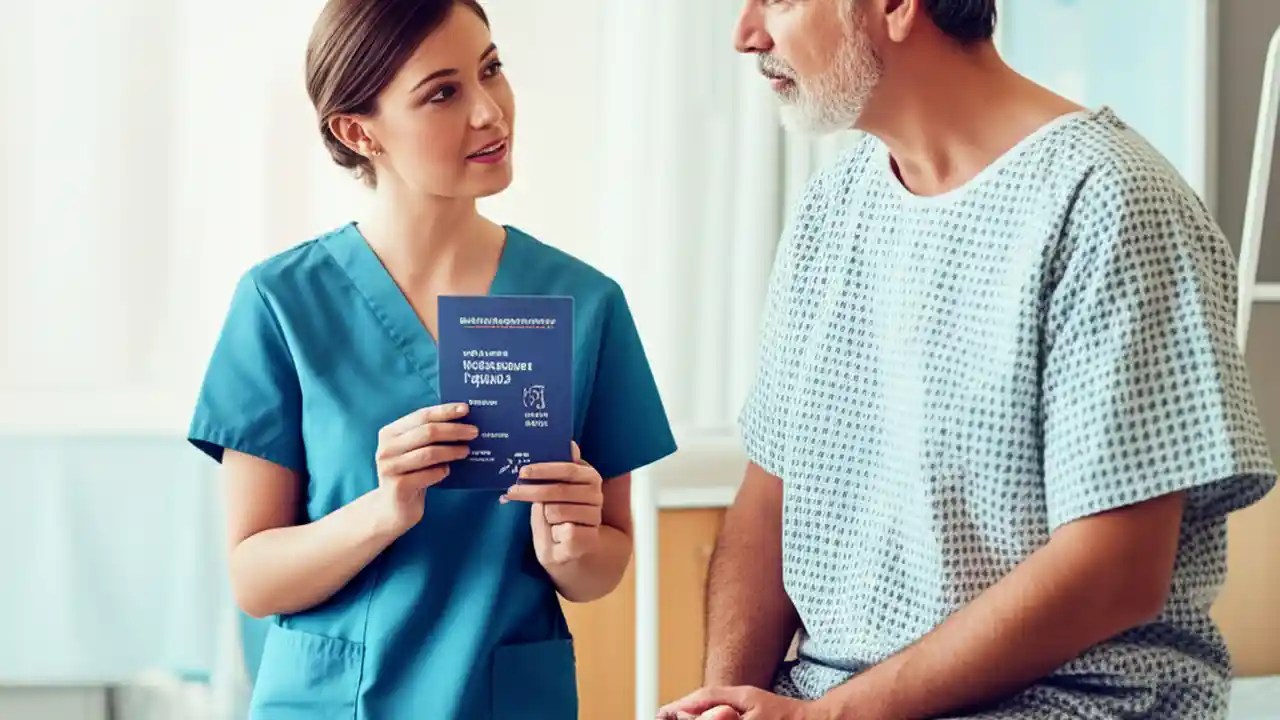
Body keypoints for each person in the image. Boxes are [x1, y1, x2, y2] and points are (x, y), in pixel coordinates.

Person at [661, 1, 1276, 719]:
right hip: (833, 700)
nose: (747, 34)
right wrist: (726, 701)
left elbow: (1116, 571)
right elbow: (769, 496)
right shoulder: (833, 207)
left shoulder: (1110, 202)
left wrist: (831, 717)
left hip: (1069, 704)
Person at [188, 1, 676, 718]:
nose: (489, 111)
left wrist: (570, 546)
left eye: (492, 69)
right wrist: (383, 512)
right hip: (333, 701)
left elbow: (604, 565)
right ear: (358, 131)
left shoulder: (583, 303)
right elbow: (255, 580)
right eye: (442, 92)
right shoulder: (281, 303)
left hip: (503, 697)